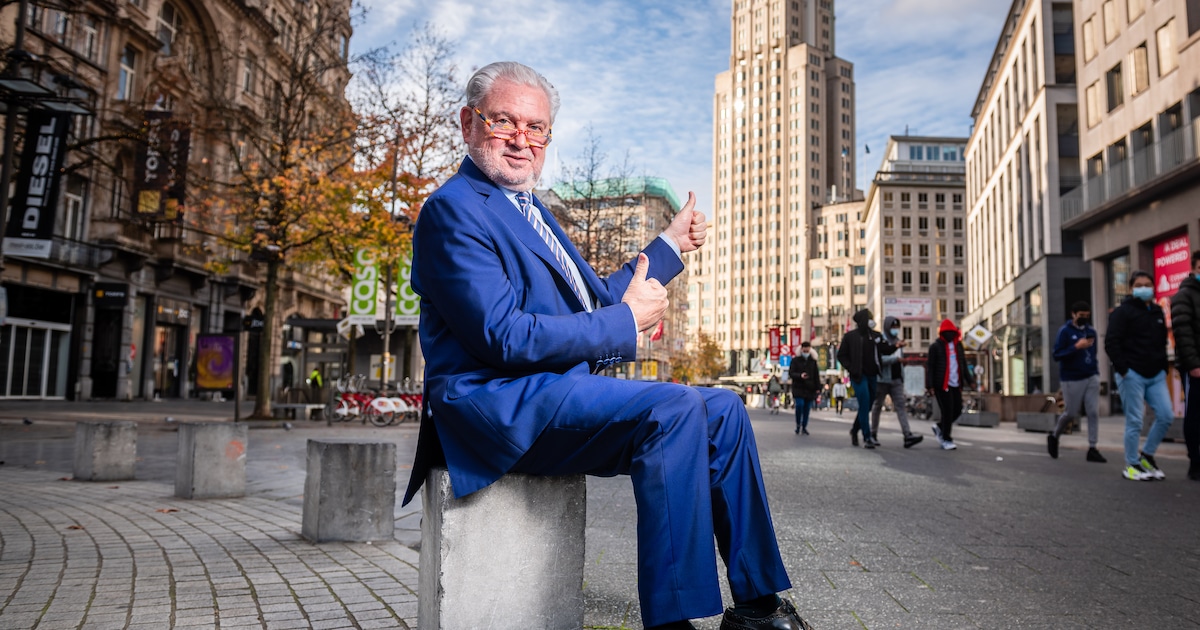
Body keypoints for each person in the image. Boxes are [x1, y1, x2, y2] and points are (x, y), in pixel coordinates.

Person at [400, 62, 810, 630]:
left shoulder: (531, 211)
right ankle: (672, 621)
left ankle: (757, 605)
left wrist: (668, 246)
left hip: (549, 392)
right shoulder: (453, 209)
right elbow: (503, 335)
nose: (522, 139)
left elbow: (595, 302)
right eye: (503, 121)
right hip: (493, 405)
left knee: (724, 408)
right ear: (469, 124)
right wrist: (626, 322)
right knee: (674, 407)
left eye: (536, 127)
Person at [1108, 270, 1175, 481]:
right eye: (1138, 285)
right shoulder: (1122, 312)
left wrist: (1163, 368)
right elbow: (1111, 342)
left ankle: (1147, 456)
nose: (1144, 288)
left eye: (1147, 284)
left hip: (1156, 374)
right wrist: (1124, 370)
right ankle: (1131, 464)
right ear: (1130, 289)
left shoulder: (1156, 311)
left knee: (1166, 415)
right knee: (1135, 421)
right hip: (1132, 374)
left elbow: (1162, 341)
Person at [1046, 302, 1105, 462]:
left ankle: (1092, 447)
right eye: (1081, 316)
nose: (1084, 318)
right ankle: (1054, 436)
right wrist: (1075, 347)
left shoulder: (1091, 332)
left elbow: (1093, 353)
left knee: (1093, 412)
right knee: (1071, 412)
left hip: (1091, 375)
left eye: (1087, 316)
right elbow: (1057, 355)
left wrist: (1095, 370)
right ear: (1073, 314)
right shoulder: (1065, 331)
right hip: (1071, 377)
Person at [837, 309, 893, 449]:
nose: (871, 321)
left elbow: (885, 349)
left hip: (872, 375)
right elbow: (841, 355)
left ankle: (855, 430)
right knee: (864, 402)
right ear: (863, 321)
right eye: (869, 318)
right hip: (858, 376)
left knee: (867, 406)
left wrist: (896, 346)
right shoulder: (850, 337)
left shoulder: (875, 336)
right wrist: (851, 367)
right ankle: (867, 437)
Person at [871, 316, 922, 448]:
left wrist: (902, 364)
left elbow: (899, 357)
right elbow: (879, 359)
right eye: (893, 327)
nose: (895, 329)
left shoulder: (898, 341)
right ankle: (873, 433)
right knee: (877, 406)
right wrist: (896, 360)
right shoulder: (881, 340)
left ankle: (907, 435)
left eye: (897, 327)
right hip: (883, 379)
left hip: (896, 379)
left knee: (900, 406)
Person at [1171, 250, 1200, 481]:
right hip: (1196, 365)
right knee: (1195, 414)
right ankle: (1195, 462)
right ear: (1193, 268)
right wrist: (1193, 364)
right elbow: (1183, 332)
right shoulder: (1184, 295)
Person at [926, 319, 975, 450]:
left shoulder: (958, 346)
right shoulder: (935, 347)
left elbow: (963, 365)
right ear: (942, 333)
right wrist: (930, 386)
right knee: (947, 411)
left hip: (955, 384)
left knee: (957, 409)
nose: (949, 335)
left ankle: (940, 427)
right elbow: (930, 367)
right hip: (942, 384)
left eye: (951, 332)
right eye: (946, 332)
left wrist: (970, 380)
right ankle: (946, 439)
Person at [789, 341, 820, 435]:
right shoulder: (795, 360)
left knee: (807, 409)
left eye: (807, 348)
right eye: (804, 348)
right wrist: (800, 375)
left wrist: (818, 388)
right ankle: (798, 424)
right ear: (801, 349)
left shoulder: (813, 361)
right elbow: (791, 373)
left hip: (810, 388)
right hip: (798, 388)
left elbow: (816, 376)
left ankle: (804, 426)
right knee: (800, 405)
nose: (806, 350)